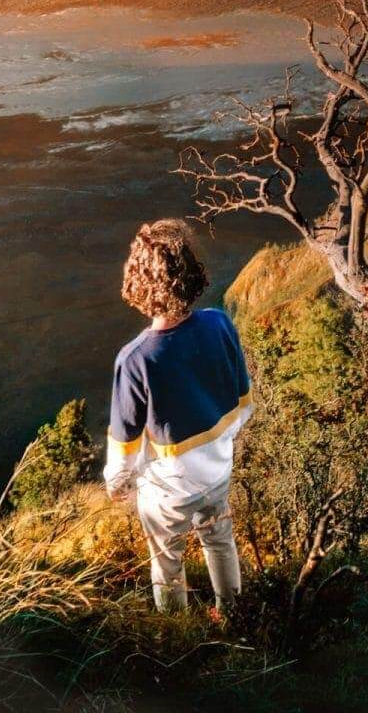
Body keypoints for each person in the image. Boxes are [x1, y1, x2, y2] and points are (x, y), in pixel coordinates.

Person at [103, 218, 251, 612]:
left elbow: (124, 445)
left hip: (168, 491)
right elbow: (243, 401)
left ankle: (177, 631)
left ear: (138, 282)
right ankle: (232, 612)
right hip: (218, 471)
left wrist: (117, 485)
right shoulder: (219, 322)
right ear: (191, 272)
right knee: (220, 540)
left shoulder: (135, 360)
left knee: (166, 562)